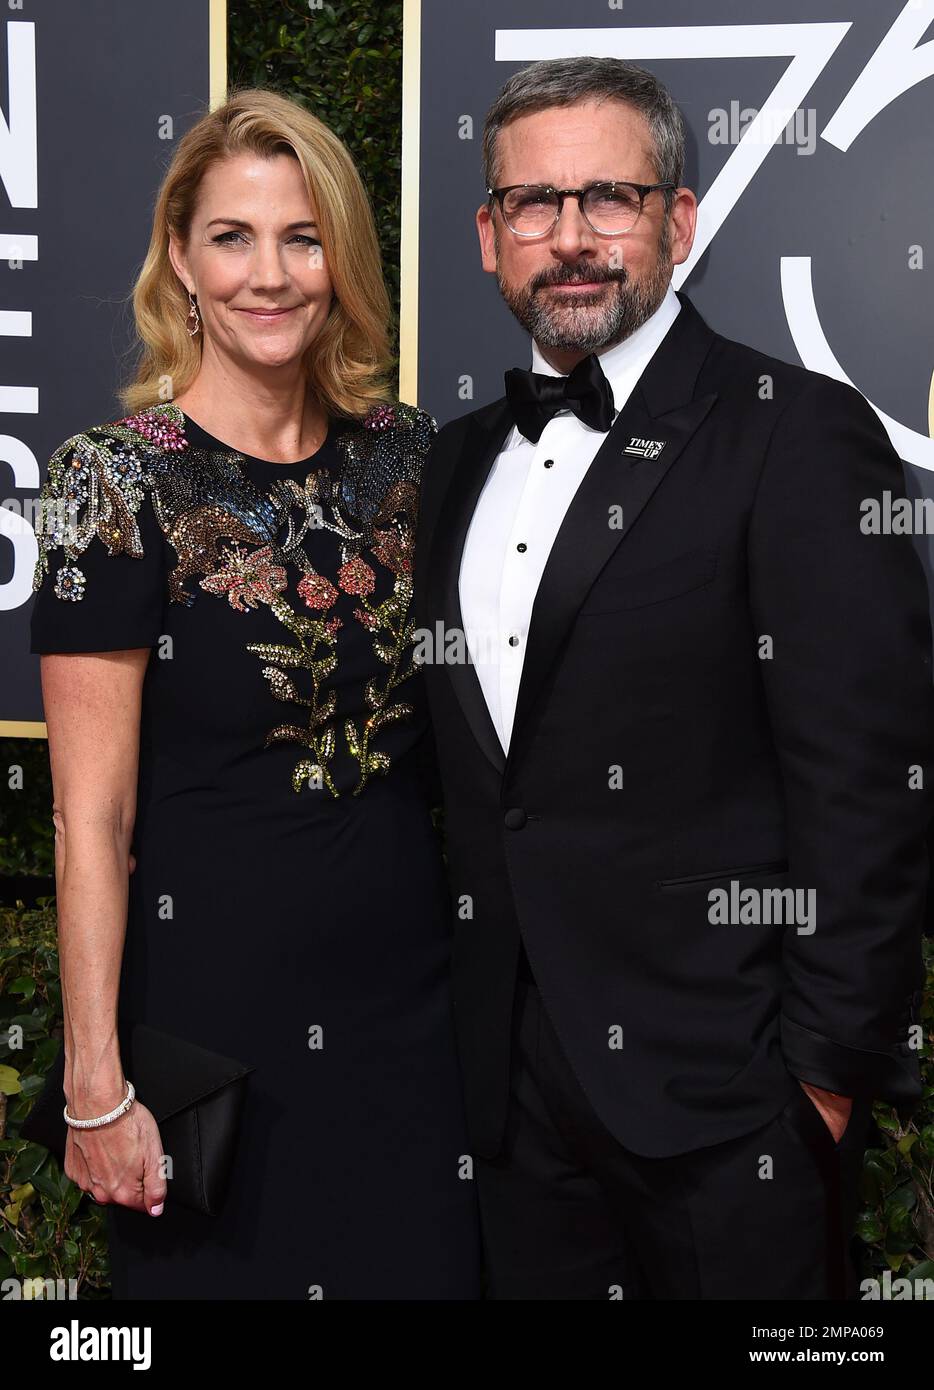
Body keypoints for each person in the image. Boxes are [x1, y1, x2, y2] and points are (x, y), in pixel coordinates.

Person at [413, 56, 934, 1299]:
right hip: (512, 1103)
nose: (571, 237)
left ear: (679, 222)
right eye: (533, 204)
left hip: (729, 1107)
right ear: (489, 237)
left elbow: (868, 786)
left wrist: (818, 1084)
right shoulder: (451, 464)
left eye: (611, 197)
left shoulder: (794, 431)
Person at [29, 87, 480, 1300]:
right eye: (232, 236)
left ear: (341, 256)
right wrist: (93, 1083)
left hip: (411, 1032)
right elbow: (91, 821)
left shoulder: (412, 459)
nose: (267, 274)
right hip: (206, 1047)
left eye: (301, 235)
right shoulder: (111, 484)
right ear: (179, 257)